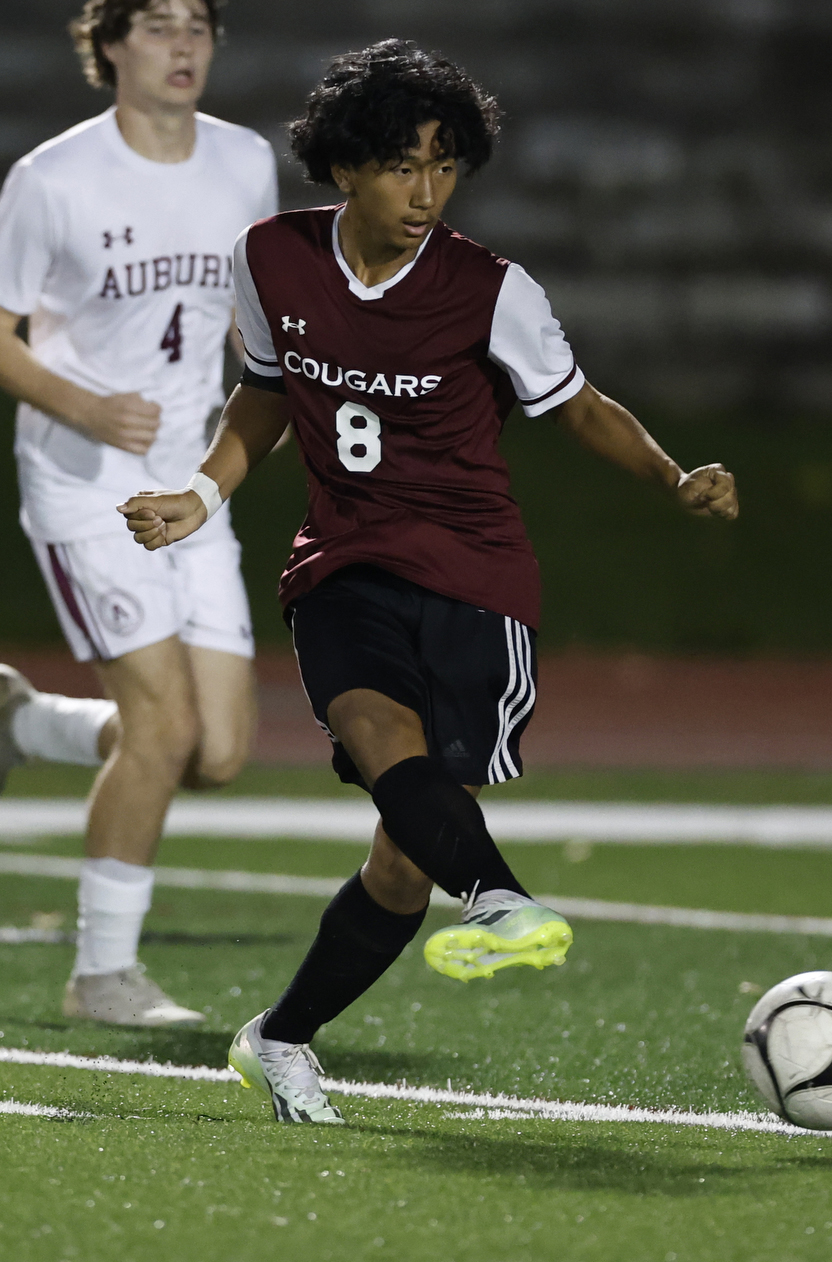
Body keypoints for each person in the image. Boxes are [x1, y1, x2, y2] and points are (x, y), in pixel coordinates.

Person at [121, 40, 738, 1123]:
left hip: (473, 575)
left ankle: (279, 1037)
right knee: (376, 736)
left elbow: (581, 405)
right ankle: (500, 895)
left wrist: (672, 476)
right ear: (345, 166)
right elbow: (262, 396)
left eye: (445, 166)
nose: (426, 190)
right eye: (404, 164)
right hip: (343, 563)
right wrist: (201, 494)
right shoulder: (270, 258)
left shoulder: (490, 288)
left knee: (403, 863)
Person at [0, 0, 277, 1026]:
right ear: (109, 44)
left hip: (188, 485)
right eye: (157, 26)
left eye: (198, 26)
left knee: (215, 754)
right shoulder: (53, 178)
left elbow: (248, 322)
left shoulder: (245, 162)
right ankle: (101, 973)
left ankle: (22, 722)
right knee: (160, 727)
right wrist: (81, 403)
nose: (183, 46)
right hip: (82, 486)